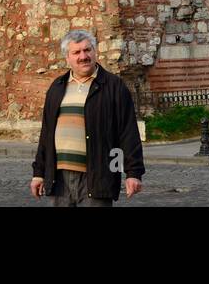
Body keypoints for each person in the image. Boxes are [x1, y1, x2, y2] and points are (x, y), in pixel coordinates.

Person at [30, 30, 144, 206]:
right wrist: (38, 173)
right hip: (59, 179)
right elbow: (46, 134)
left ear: (95, 51)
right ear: (67, 58)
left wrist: (133, 173)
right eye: (76, 52)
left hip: (97, 176)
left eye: (87, 50)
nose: (83, 56)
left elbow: (128, 133)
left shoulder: (114, 86)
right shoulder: (57, 87)